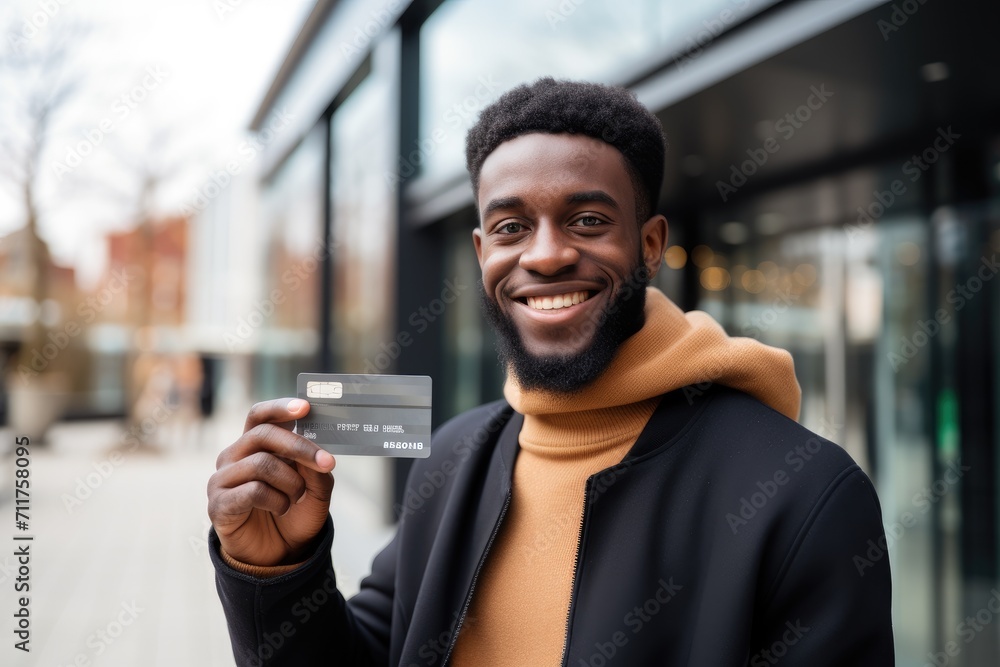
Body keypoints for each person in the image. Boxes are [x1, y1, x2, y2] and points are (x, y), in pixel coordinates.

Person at [207, 78, 894, 666]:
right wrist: (277, 570)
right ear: (481, 253)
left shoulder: (804, 493)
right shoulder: (451, 460)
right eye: (510, 228)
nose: (546, 255)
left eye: (588, 219)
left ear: (650, 245)